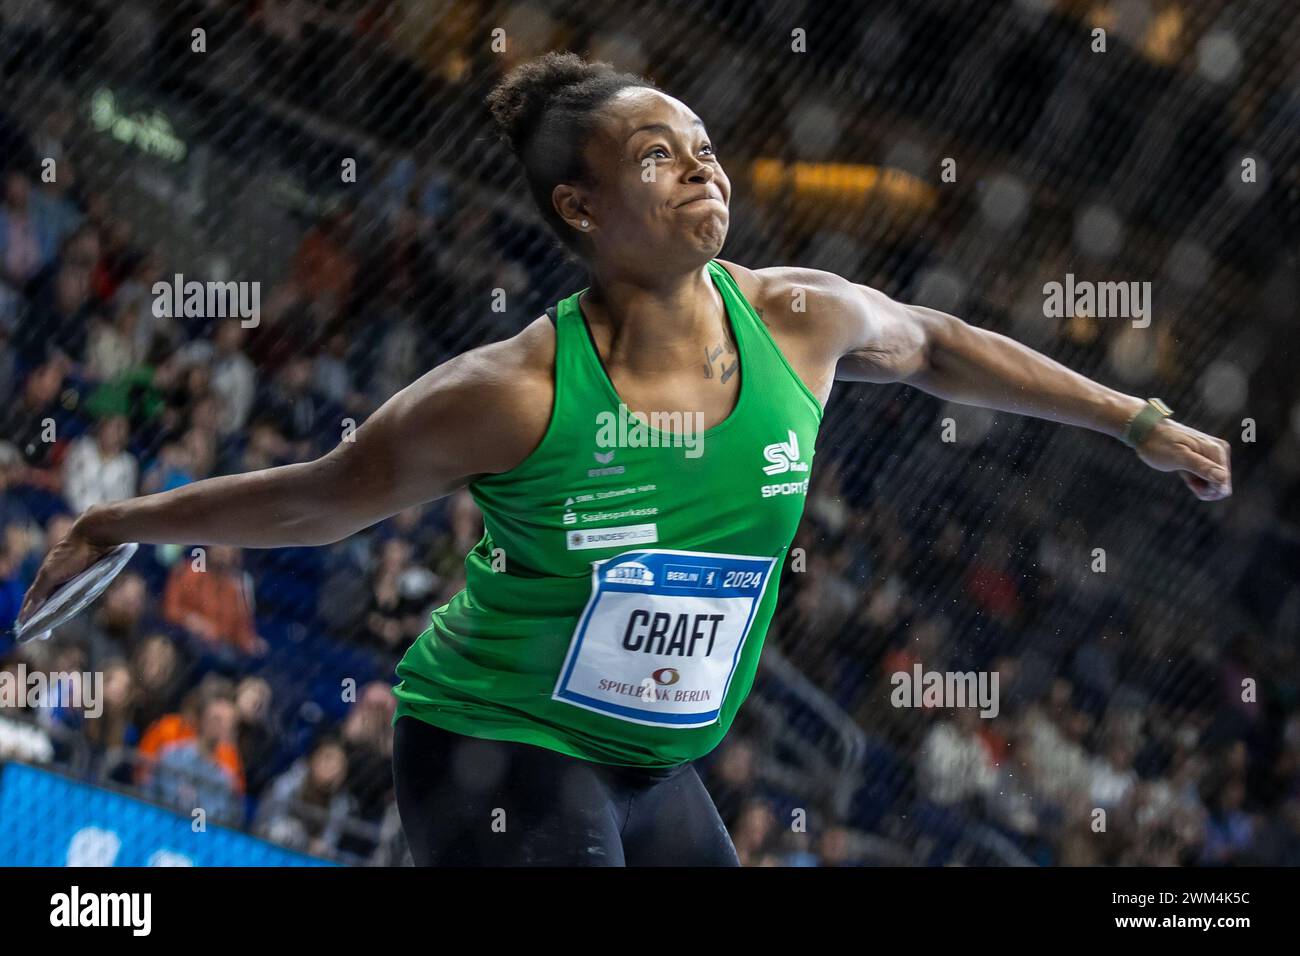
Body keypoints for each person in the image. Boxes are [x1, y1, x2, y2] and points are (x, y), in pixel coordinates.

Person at [16, 52, 1232, 866]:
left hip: (655, 766)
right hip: (494, 742)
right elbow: (321, 502)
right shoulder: (514, 393)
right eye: (657, 155)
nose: (701, 164)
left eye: (701, 143)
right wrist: (124, 520)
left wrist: (1129, 416)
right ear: (583, 211)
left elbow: (943, 347)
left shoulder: (798, 320)